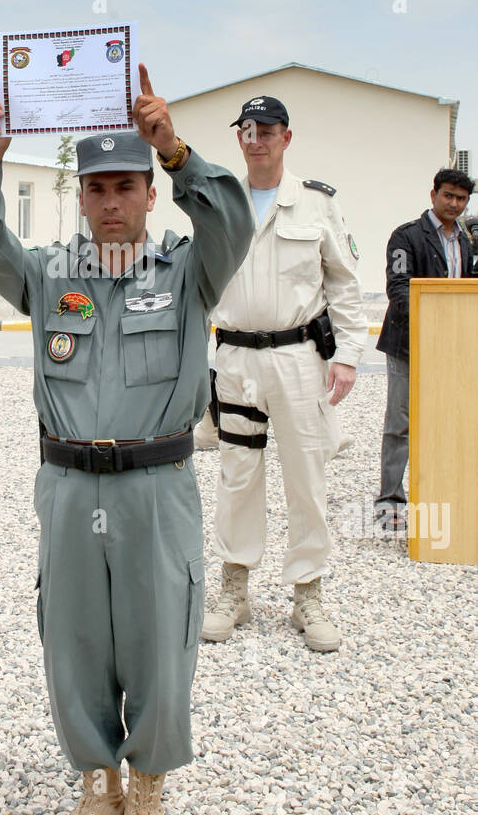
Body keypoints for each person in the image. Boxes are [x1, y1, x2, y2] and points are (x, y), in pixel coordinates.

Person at [0, 66, 253, 815]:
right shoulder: (51, 276)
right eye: (97, 188)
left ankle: (148, 795)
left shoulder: (190, 272)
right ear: (79, 197)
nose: (112, 200)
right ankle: (98, 791)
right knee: (75, 639)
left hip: (157, 486)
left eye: (127, 185)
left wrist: (177, 147)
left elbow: (232, 219)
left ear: (151, 196)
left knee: (159, 637)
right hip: (70, 486)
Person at [201, 96, 368, 653]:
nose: (255, 138)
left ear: (286, 137)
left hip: (299, 360)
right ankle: (235, 590)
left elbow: (343, 283)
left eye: (267, 129)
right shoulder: (224, 202)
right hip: (237, 361)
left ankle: (307, 595)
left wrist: (346, 355)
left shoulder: (316, 203)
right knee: (237, 476)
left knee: (306, 478)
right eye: (246, 129)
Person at [374, 167, 476, 534]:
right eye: (448, 195)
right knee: (400, 423)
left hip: (452, 346)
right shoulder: (406, 236)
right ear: (432, 194)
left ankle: (440, 490)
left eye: (461, 199)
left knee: (446, 420)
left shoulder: (466, 240)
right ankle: (390, 502)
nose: (454, 204)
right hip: (408, 343)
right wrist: (433, 323)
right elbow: (399, 290)